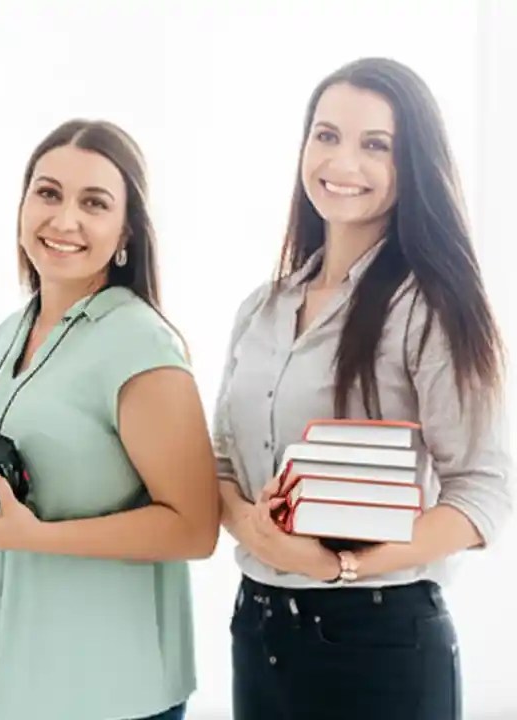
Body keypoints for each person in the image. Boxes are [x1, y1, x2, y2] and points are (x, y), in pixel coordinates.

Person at [214, 57, 511, 720]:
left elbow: (482, 493)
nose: (342, 162)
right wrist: (257, 535)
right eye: (326, 135)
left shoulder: (431, 307)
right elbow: (222, 463)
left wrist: (340, 567)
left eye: (375, 145)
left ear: (412, 167)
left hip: (381, 638)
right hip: (260, 627)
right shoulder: (260, 308)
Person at [0, 119, 219, 720]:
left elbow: (194, 528)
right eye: (48, 193)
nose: (64, 220)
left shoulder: (140, 344)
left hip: (104, 696)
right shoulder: (10, 332)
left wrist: (39, 537)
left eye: (94, 203)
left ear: (126, 233)